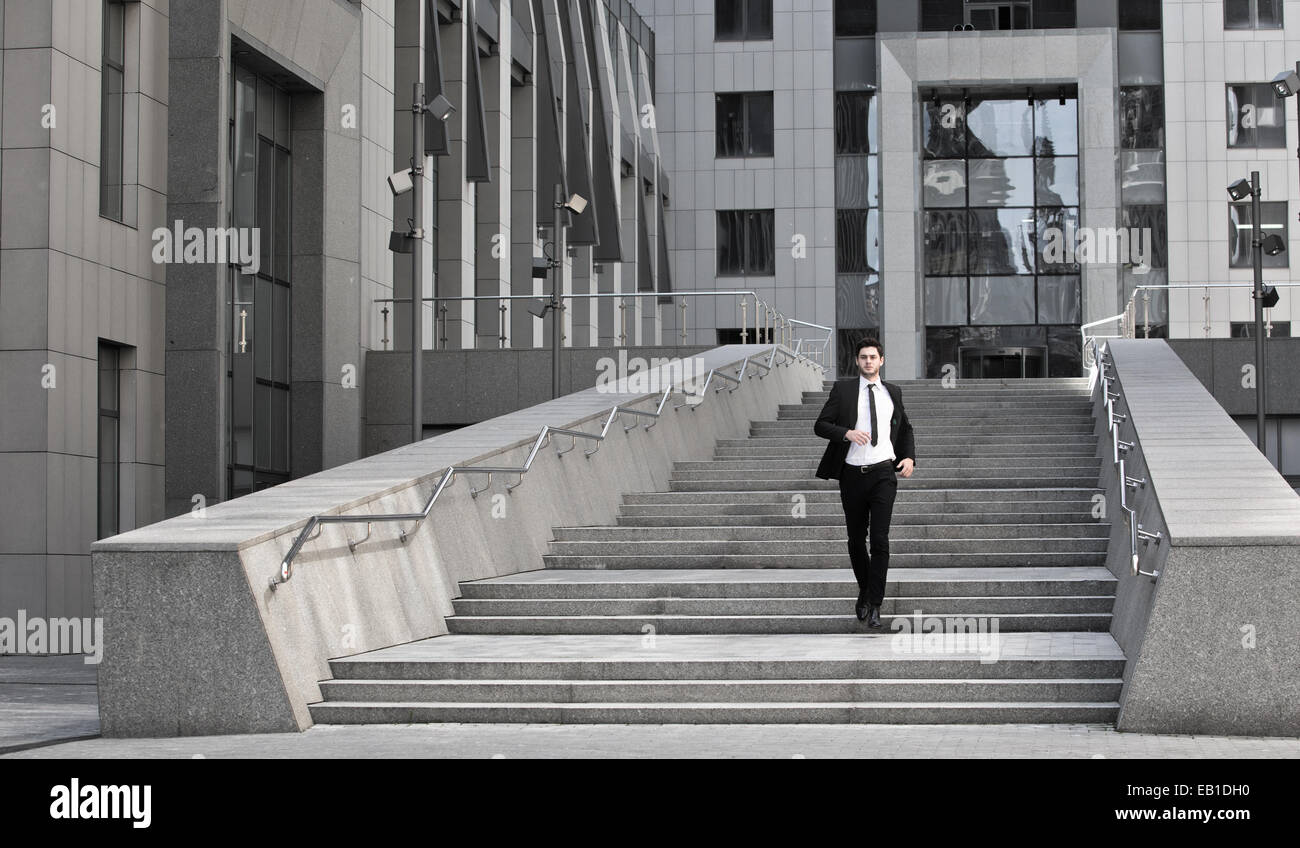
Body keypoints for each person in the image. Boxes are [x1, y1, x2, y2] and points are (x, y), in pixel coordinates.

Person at [813, 338, 916, 628]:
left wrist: (908, 457)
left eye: (873, 357)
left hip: (884, 473)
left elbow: (905, 428)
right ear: (857, 361)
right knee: (857, 540)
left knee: (880, 540)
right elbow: (820, 424)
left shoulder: (892, 392)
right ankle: (865, 589)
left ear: (881, 360)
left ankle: (875, 604)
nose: (868, 361)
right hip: (852, 474)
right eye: (863, 357)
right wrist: (846, 433)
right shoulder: (843, 390)